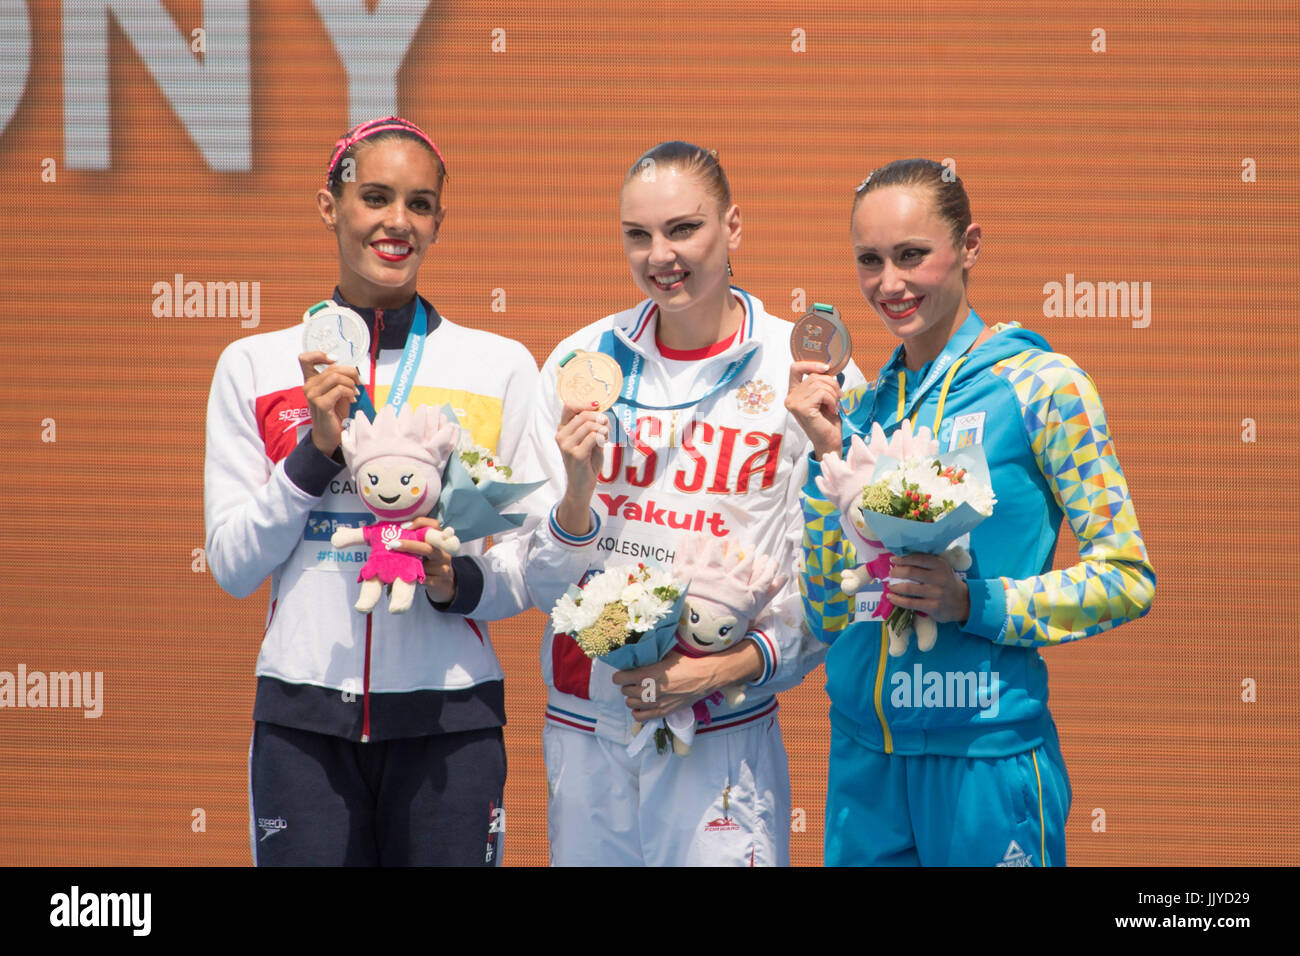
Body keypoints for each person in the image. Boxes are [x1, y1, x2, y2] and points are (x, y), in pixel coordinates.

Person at [787, 158, 1156, 866]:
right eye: (870, 260)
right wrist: (823, 456)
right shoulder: (860, 409)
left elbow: (1127, 578)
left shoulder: (1043, 387)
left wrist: (973, 602)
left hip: (985, 756)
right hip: (865, 764)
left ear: (970, 246)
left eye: (912, 255)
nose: (889, 283)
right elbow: (828, 614)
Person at [203, 117, 542, 866]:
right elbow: (231, 564)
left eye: (420, 204)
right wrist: (313, 455)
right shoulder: (254, 364)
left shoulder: (500, 366)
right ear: (331, 205)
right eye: (376, 196)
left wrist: (462, 584)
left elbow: (537, 561)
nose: (397, 222)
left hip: (451, 722)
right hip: (303, 723)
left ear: (439, 221)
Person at [525, 141, 864, 866]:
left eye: (683, 229)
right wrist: (579, 498)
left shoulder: (800, 370)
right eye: (638, 235)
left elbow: (842, 571)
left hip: (722, 728)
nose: (660, 255)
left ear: (733, 228)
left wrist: (726, 668)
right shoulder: (580, 360)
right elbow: (540, 579)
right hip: (587, 727)